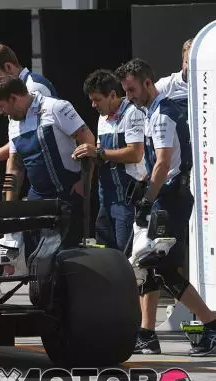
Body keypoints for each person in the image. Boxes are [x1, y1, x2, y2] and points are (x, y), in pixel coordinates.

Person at [116, 58, 216, 356]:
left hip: (170, 198)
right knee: (150, 266)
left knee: (162, 267)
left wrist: (147, 199)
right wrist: (143, 188)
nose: (129, 96)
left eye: (131, 89)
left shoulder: (160, 114)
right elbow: (157, 165)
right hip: (165, 195)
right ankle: (147, 334)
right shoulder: (150, 111)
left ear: (148, 83)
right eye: (125, 90)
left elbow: (163, 164)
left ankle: (211, 325)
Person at [0, 75, 95, 249]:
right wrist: (8, 208)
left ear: (14, 98)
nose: (0, 112)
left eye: (1, 106)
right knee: (35, 257)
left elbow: (87, 139)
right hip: (37, 200)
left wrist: (85, 182)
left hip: (67, 195)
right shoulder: (13, 124)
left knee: (67, 257)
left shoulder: (57, 107)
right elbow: (15, 167)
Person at [74, 69, 147, 253]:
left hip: (127, 198)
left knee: (126, 255)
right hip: (106, 198)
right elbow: (101, 153)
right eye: (91, 100)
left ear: (113, 95)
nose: (93, 105)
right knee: (106, 254)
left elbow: (135, 154)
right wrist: (88, 155)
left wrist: (98, 152)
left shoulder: (133, 113)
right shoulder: (102, 117)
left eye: (97, 99)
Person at [0, 43, 59, 176]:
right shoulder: (14, 92)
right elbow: (20, 139)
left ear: (8, 67)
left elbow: (32, 138)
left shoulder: (34, 88)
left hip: (54, 174)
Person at [155, 38, 192, 121]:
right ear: (182, 60)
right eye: (187, 62)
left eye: (195, 63)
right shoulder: (166, 85)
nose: (190, 67)